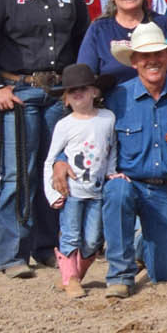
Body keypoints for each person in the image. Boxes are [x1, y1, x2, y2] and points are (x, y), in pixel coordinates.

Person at [0, 0, 89, 277]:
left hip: (58, 94)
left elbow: (81, 44)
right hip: (19, 90)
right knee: (15, 174)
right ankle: (11, 254)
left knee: (55, 171)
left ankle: (46, 245)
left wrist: (77, 90)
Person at [100, 22, 167, 297]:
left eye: (159, 53)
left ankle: (139, 243)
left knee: (166, 274)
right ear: (134, 61)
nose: (153, 61)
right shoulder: (116, 98)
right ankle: (120, 274)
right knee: (116, 191)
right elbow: (91, 135)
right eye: (145, 56)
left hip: (164, 191)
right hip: (128, 183)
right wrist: (62, 159)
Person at [44, 64, 112, 297]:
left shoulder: (107, 119)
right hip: (71, 192)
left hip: (97, 189)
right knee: (71, 234)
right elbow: (50, 160)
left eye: (83, 88)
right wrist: (52, 193)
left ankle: (72, 275)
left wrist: (111, 172)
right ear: (65, 99)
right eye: (71, 90)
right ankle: (71, 278)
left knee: (93, 239)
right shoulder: (64, 125)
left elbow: (112, 150)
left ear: (95, 92)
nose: (77, 93)